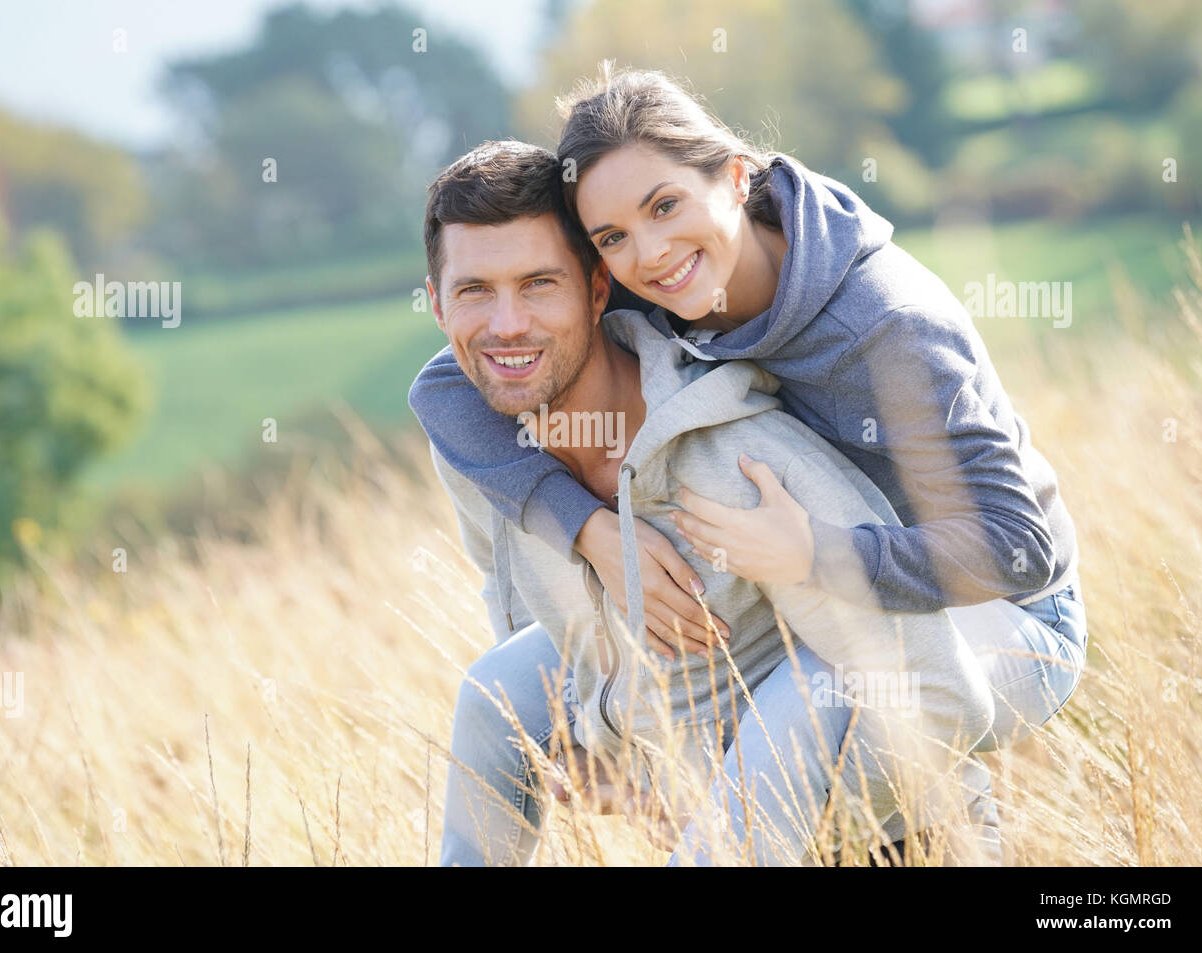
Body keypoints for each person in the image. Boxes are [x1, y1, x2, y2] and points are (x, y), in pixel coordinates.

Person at [410, 67, 1088, 858]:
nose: (651, 251)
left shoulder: (889, 324)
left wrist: (818, 553)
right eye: (613, 236)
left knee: (797, 735)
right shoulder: (656, 281)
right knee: (498, 694)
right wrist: (589, 528)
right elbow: (454, 386)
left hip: (1000, 612)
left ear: (736, 177)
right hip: (803, 597)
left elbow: (1017, 546)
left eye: (665, 205)